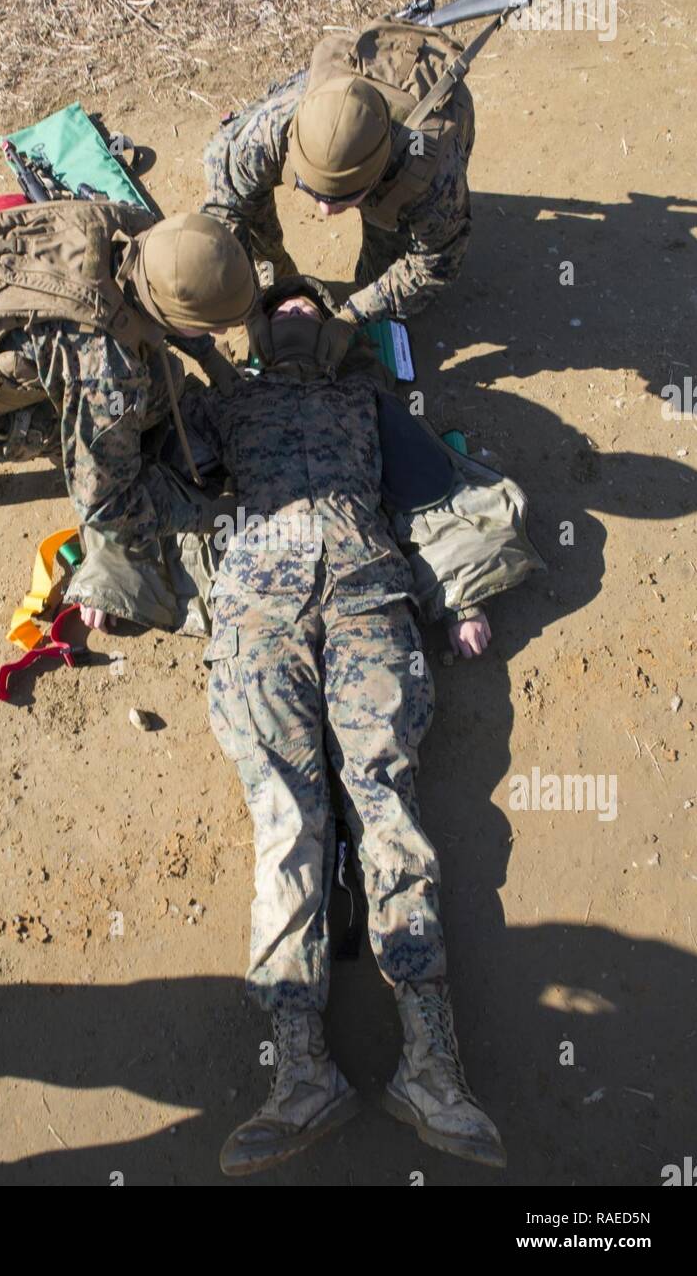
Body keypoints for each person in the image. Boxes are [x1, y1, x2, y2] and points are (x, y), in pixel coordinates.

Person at [176, 278, 542, 1176]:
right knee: (287, 821)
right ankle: (300, 1075)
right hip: (256, 618)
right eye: (281, 310)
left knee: (385, 803)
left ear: (331, 334)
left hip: (372, 602)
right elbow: (160, 482)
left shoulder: (367, 405)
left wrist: (456, 594)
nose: (297, 315)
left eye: (310, 310)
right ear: (257, 332)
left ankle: (435, 1073)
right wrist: (105, 581)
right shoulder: (221, 407)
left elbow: (436, 500)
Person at [0, 206, 257, 593]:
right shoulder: (110, 370)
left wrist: (211, 358)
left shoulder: (134, 226)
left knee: (150, 382)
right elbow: (107, 507)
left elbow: (169, 298)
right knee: (158, 395)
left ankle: (29, 399)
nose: (222, 331)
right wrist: (209, 515)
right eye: (215, 327)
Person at [202, 12, 475, 369]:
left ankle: (373, 247)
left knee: (381, 275)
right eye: (309, 189)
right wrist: (251, 306)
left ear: (375, 179)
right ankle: (276, 270)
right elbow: (227, 201)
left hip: (412, 148)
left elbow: (435, 263)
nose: (323, 212)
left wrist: (355, 316)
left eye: (343, 199)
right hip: (337, 112)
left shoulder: (431, 174)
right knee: (250, 222)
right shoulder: (277, 126)